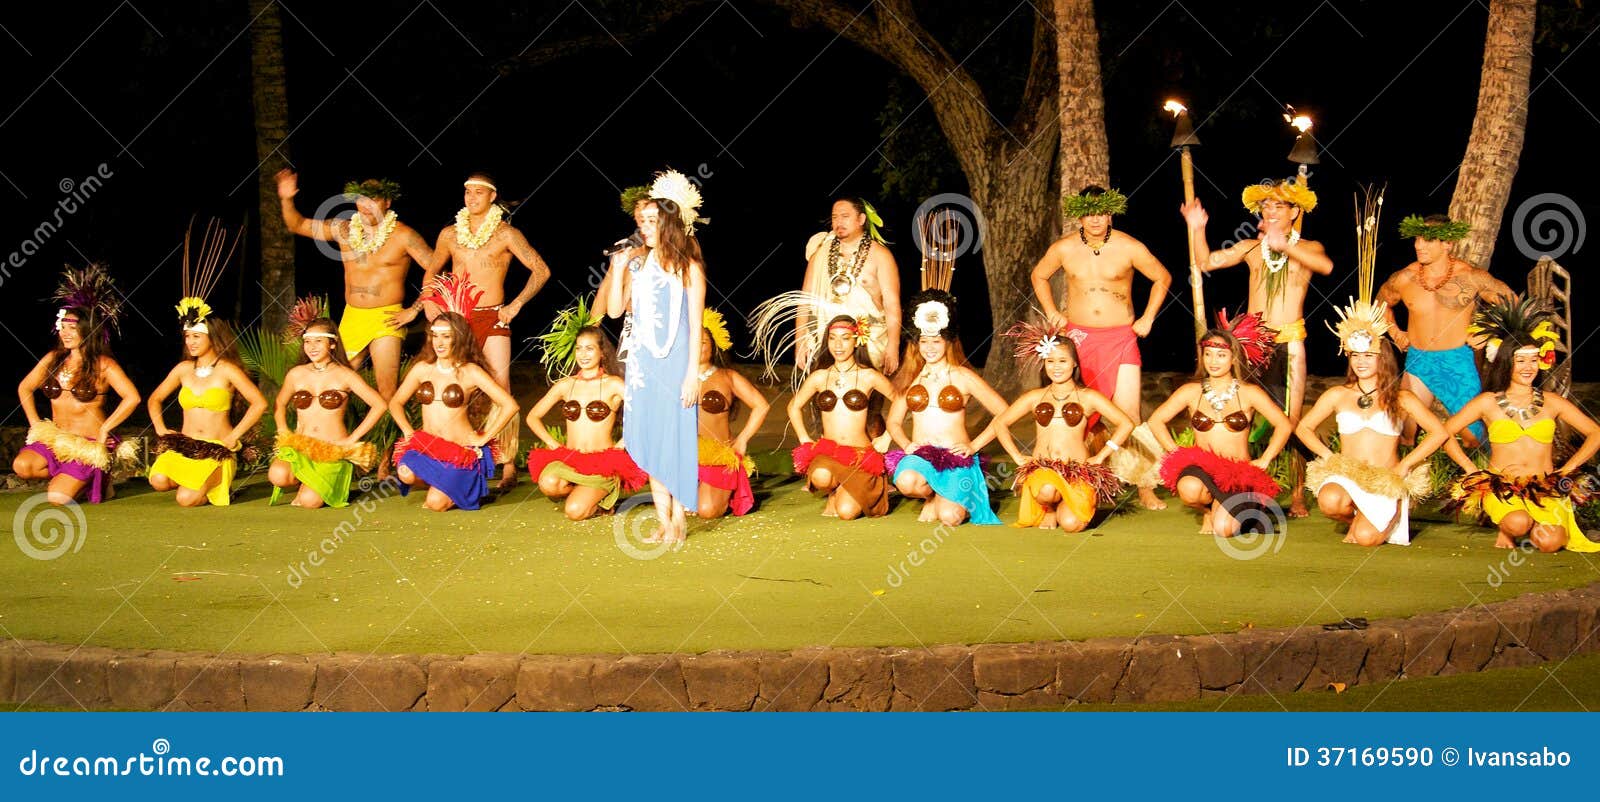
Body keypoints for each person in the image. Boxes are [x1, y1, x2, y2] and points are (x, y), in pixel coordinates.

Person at [1182, 179, 1334, 517]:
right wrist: (1197, 228)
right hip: (1252, 345)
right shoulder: (1251, 248)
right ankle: (1237, 484)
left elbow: (1326, 267)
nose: (1270, 211)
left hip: (1290, 341)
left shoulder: (1309, 247)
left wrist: (1284, 245)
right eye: (1266, 206)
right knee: (1243, 413)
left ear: (1295, 211)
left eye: (1279, 205)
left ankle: (1296, 494)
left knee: (1289, 418)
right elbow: (1207, 262)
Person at [1030, 186, 1172, 510]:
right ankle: (1078, 476)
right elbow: (1038, 275)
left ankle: (1144, 485)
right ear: (1080, 215)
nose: (1096, 219)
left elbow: (1162, 277)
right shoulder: (1065, 248)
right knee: (1084, 412)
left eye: (1102, 212)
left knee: (1130, 415)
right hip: (1079, 339)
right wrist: (1052, 311)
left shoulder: (1129, 247)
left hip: (1120, 338)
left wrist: (1148, 317)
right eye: (1089, 213)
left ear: (1110, 214)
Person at [416, 172, 553, 489]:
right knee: (453, 383)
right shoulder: (450, 234)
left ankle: (506, 464)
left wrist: (516, 304)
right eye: (467, 192)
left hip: (493, 316)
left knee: (499, 387)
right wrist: (429, 304)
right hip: (456, 316)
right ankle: (449, 452)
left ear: (492, 197)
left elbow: (541, 270)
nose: (472, 197)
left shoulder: (506, 234)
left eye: (479, 192)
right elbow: (432, 272)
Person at [1297, 291, 1462, 545]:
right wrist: (1328, 456)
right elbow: (1304, 428)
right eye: (1355, 355)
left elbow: (1439, 432)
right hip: (1347, 475)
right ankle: (1360, 516)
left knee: (1365, 539)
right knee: (1329, 501)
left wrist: (1406, 465)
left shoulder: (1401, 397)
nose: (1360, 362)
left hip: (1385, 479)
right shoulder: (1338, 394)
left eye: (1368, 356)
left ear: (1382, 358)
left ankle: (1392, 513)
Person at [1441, 296, 1600, 552]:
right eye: (1521, 360)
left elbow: (1596, 433)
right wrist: (1471, 470)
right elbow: (1444, 433)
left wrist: (1567, 470)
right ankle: (1509, 529)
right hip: (1503, 488)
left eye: (1533, 360)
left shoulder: (1552, 402)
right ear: (1507, 362)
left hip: (1546, 487)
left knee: (1550, 543)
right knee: (1517, 522)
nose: (1529, 367)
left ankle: (1534, 526)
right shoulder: (1488, 402)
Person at [604, 170, 707, 548]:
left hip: (677, 362)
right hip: (643, 365)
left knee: (675, 436)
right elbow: (615, 312)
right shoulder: (635, 265)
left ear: (668, 223)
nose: (644, 228)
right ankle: (663, 518)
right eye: (641, 222)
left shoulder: (689, 268)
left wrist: (692, 375)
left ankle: (679, 516)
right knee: (648, 437)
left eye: (651, 221)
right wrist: (616, 271)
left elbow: (696, 326)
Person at [276, 171, 434, 400]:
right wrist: (286, 199)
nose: (367, 206)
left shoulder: (404, 235)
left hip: (387, 317)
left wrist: (414, 311)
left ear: (387, 202)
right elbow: (297, 224)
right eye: (361, 199)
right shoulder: (344, 230)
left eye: (374, 200)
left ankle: (392, 436)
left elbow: (436, 269)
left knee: (387, 390)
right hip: (353, 316)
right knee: (334, 384)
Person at [1147, 313, 1291, 537]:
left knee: (1224, 530)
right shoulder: (1191, 391)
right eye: (1208, 355)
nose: (1213, 361)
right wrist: (1175, 452)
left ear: (1233, 358)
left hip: (1237, 473)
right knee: (1190, 490)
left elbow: (1283, 425)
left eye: (1221, 355)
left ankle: (1233, 511)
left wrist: (1265, 459)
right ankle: (1207, 510)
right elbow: (1156, 420)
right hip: (1202, 469)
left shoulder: (1250, 392)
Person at [1378, 213, 1511, 446]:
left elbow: (1512, 303)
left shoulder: (1470, 276)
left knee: (1473, 438)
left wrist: (1489, 330)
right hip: (1418, 360)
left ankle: (1476, 474)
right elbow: (1380, 304)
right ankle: (1414, 476)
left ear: (1447, 243)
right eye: (1417, 239)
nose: (1419, 245)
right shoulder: (1405, 277)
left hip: (1457, 361)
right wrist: (1396, 333)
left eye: (1428, 240)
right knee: (1404, 434)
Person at [390, 276, 519, 512]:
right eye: (435, 335)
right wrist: (409, 431)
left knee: (435, 504)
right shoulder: (422, 369)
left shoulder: (470, 371)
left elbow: (510, 405)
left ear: (458, 338)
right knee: (405, 472)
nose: (439, 342)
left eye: (446, 336)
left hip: (460, 452)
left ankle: (459, 486)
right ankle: (444, 484)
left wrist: (485, 437)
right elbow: (396, 402)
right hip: (428, 448)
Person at [14, 264, 140, 504]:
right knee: (22, 465)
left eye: (73, 328)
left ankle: (94, 477)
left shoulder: (104, 365)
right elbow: (25, 387)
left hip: (88, 443)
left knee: (57, 498)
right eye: (63, 327)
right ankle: (79, 478)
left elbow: (132, 397)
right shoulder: (53, 359)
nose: (66, 333)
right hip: (56, 440)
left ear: (88, 331)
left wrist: (106, 430)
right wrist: (35, 424)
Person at [988, 322, 1131, 531]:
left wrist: (1101, 456)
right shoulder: (1035, 397)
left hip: (1078, 470)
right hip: (1043, 469)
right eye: (1050, 361)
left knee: (1072, 525)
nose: (1056, 366)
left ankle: (1068, 505)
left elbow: (1126, 424)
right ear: (1044, 364)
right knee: (1046, 490)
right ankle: (1049, 508)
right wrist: (1017, 456)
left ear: (1074, 363)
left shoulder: (1088, 397)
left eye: (1062, 361)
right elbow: (1000, 423)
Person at [885, 290, 1009, 526]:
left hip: (955, 457)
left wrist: (974, 445)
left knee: (950, 518)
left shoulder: (963, 376)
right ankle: (930, 495)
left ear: (948, 342)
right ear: (916, 344)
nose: (929, 347)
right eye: (924, 341)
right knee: (906, 482)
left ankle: (944, 498)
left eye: (936, 341)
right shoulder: (910, 377)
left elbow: (1005, 413)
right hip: (922, 457)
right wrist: (906, 444)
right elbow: (893, 421)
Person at [751, 197, 902, 385]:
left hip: (868, 342)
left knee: (865, 404)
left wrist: (893, 345)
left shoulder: (880, 255)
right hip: (826, 340)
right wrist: (800, 341)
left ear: (861, 219)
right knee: (827, 399)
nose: (838, 222)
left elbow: (892, 304)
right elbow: (805, 299)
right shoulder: (820, 253)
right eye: (835, 217)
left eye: (845, 216)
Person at [524, 299, 646, 521]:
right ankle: (584, 493)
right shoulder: (565, 385)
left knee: (574, 512)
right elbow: (533, 417)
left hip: (603, 462)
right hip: (570, 459)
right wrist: (552, 443)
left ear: (602, 352)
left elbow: (644, 414)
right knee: (548, 483)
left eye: (589, 348)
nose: (583, 354)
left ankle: (599, 496)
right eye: (579, 348)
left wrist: (623, 444)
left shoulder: (614, 384)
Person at [147, 300, 268, 508]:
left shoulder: (227, 369)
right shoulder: (183, 369)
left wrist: (234, 436)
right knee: (157, 480)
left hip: (217, 449)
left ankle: (215, 482)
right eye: (187, 336)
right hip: (185, 446)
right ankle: (200, 482)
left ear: (212, 337)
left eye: (196, 336)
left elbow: (259, 403)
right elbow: (154, 399)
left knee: (186, 499)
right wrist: (161, 430)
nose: (190, 342)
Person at [267, 300, 385, 508]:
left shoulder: (344, 375)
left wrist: (352, 439)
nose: (311, 347)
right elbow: (279, 404)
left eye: (318, 341)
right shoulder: (297, 374)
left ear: (332, 344)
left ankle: (320, 486)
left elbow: (379, 405)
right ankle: (306, 482)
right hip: (300, 446)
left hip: (332, 448)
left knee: (309, 502)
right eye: (308, 342)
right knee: (277, 475)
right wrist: (283, 430)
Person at [788, 316, 896, 519]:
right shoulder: (819, 376)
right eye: (832, 338)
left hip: (860, 456)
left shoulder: (869, 376)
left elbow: (901, 401)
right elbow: (793, 407)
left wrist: (888, 436)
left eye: (845, 338)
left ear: (856, 341)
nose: (838, 345)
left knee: (846, 513)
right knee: (820, 477)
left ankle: (846, 493)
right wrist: (804, 438)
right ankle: (833, 490)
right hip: (829, 453)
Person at [695, 309, 770, 518]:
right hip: (684, 458)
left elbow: (761, 405)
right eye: (692, 342)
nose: (697, 348)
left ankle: (723, 495)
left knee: (707, 511)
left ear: (713, 344)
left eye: (702, 342)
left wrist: (743, 439)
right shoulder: (676, 378)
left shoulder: (727, 377)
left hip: (717, 458)